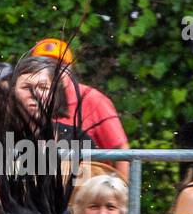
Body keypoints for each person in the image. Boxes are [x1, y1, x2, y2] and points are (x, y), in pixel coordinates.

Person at [28, 38, 129, 178]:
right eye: (43, 65)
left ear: (69, 69)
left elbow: (121, 152)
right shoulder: (26, 99)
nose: (51, 71)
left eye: (58, 65)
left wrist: (123, 194)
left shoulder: (93, 99)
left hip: (88, 189)